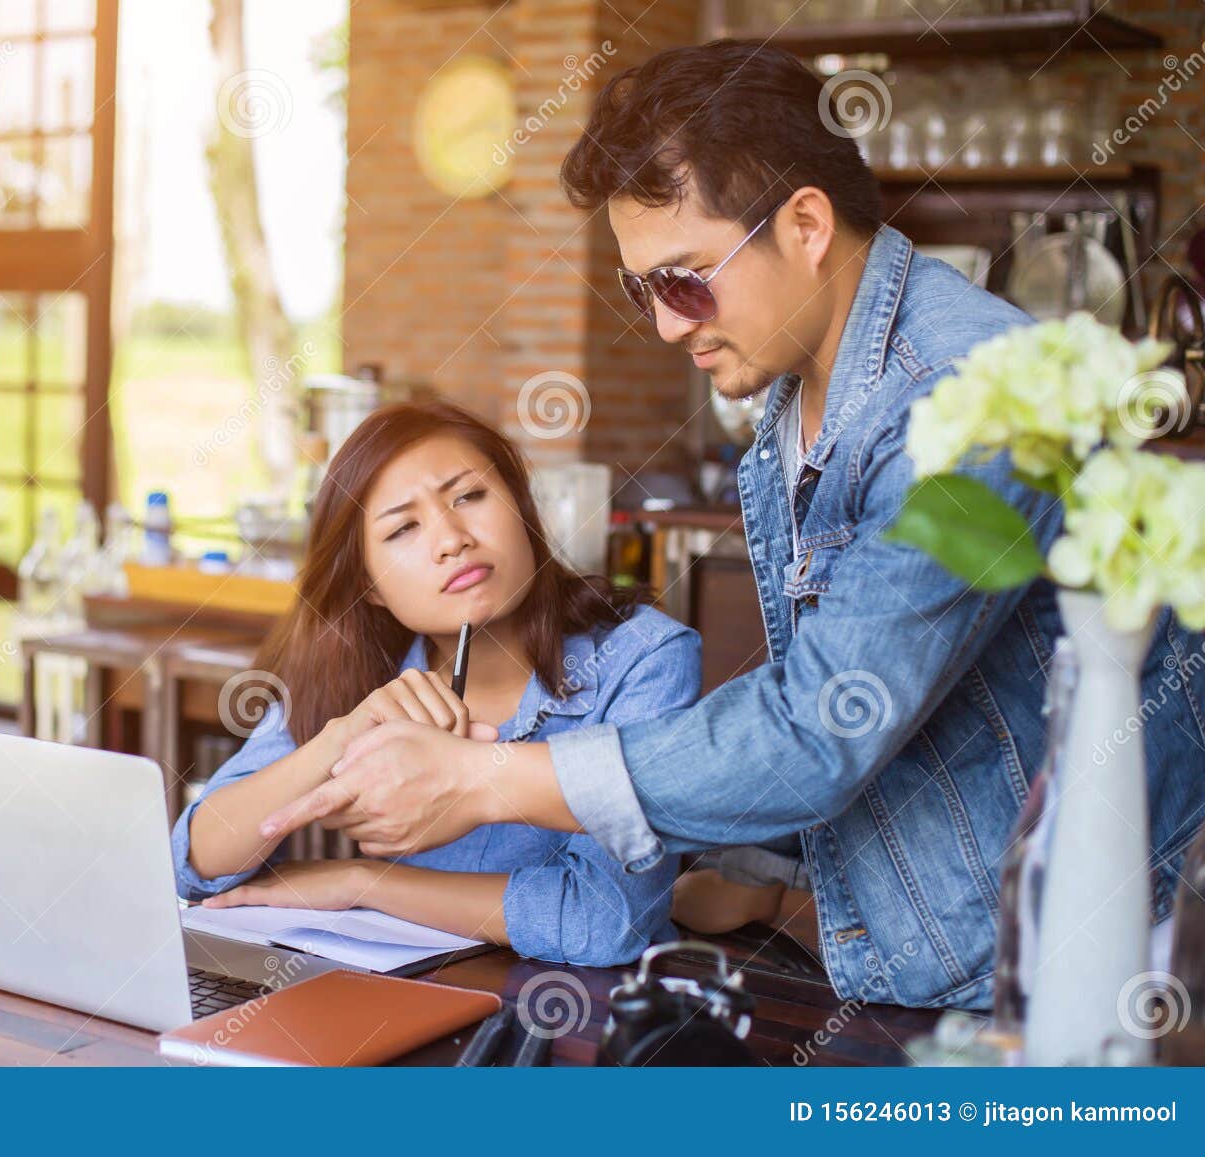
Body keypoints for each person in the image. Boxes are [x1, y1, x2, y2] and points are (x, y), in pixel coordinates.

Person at [257, 42, 1205, 1009]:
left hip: (1051, 980)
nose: (668, 326)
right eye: (645, 291)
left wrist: (484, 780)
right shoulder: (804, 401)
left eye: (684, 280)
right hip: (930, 959)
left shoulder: (970, 401)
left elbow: (823, 723)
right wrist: (753, 869)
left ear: (803, 225)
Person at [172, 401, 701, 967]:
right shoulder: (357, 666)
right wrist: (338, 740)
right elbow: (198, 860)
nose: (451, 539)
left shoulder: (643, 657)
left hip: (581, 1020)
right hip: (399, 1006)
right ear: (369, 585)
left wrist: (362, 883)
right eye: (403, 528)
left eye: (469, 497)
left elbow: (601, 922)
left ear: (522, 508)